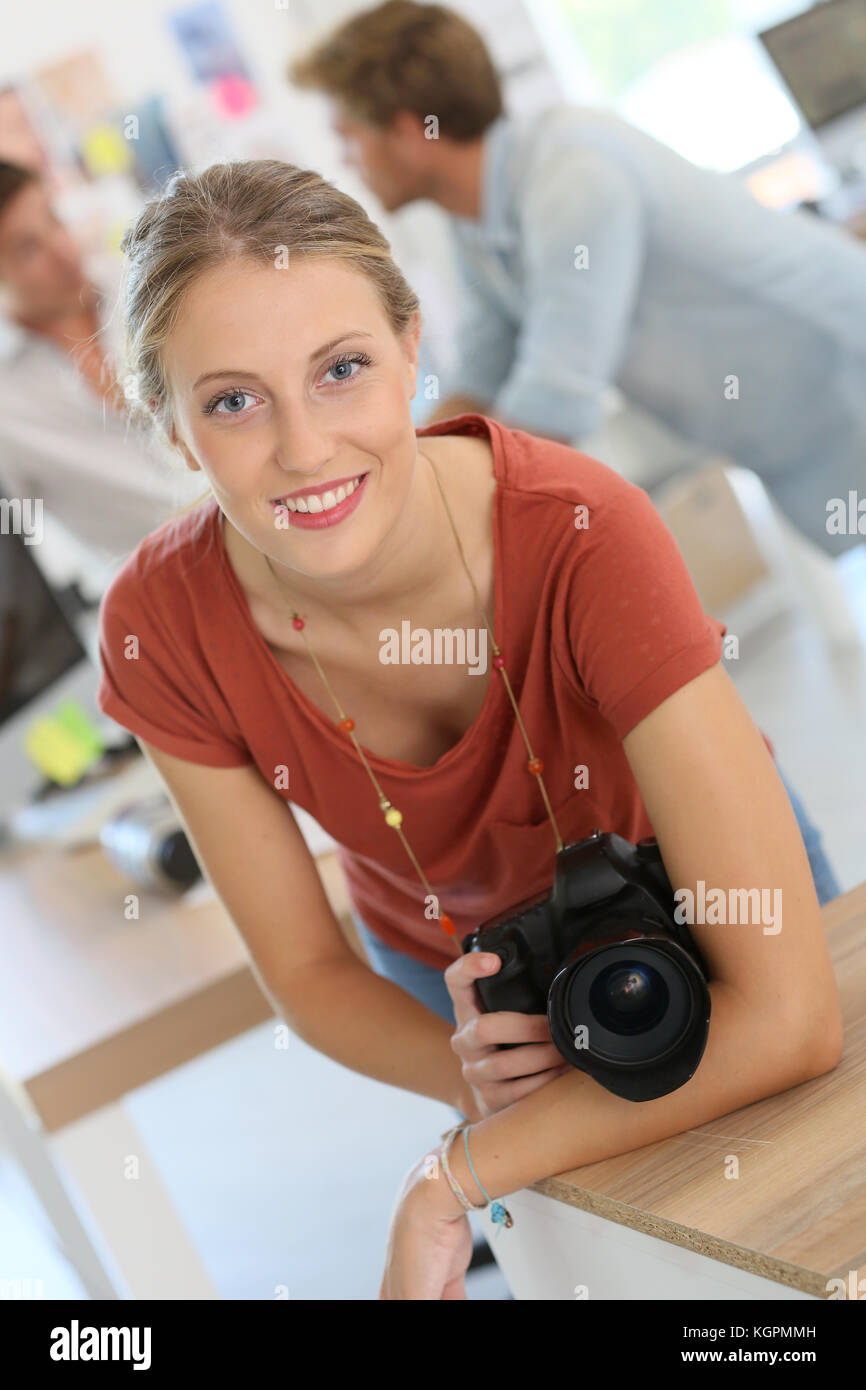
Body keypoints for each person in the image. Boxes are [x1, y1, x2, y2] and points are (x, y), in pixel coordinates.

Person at [96, 158, 842, 1300]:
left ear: (409, 346)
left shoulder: (581, 530)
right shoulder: (162, 625)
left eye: (340, 369)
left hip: (706, 897)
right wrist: (469, 1081)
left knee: (799, 1240)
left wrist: (447, 1178)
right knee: (623, 1272)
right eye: (233, 400)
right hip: (461, 978)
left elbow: (785, 1021)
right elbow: (304, 968)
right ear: (175, 431)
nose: (302, 449)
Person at [289, 0, 866, 558]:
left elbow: (555, 400)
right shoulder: (476, 223)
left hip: (843, 372)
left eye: (348, 137)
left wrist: (410, 517)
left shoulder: (573, 171)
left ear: (409, 132)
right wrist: (395, 465)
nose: (345, 160)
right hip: (792, 427)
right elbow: (484, 372)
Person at [0, 160, 204, 598]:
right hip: (164, 601)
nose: (62, 249)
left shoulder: (146, 286)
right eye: (27, 248)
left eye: (54, 219)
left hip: (263, 535)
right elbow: (22, 544)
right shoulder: (7, 409)